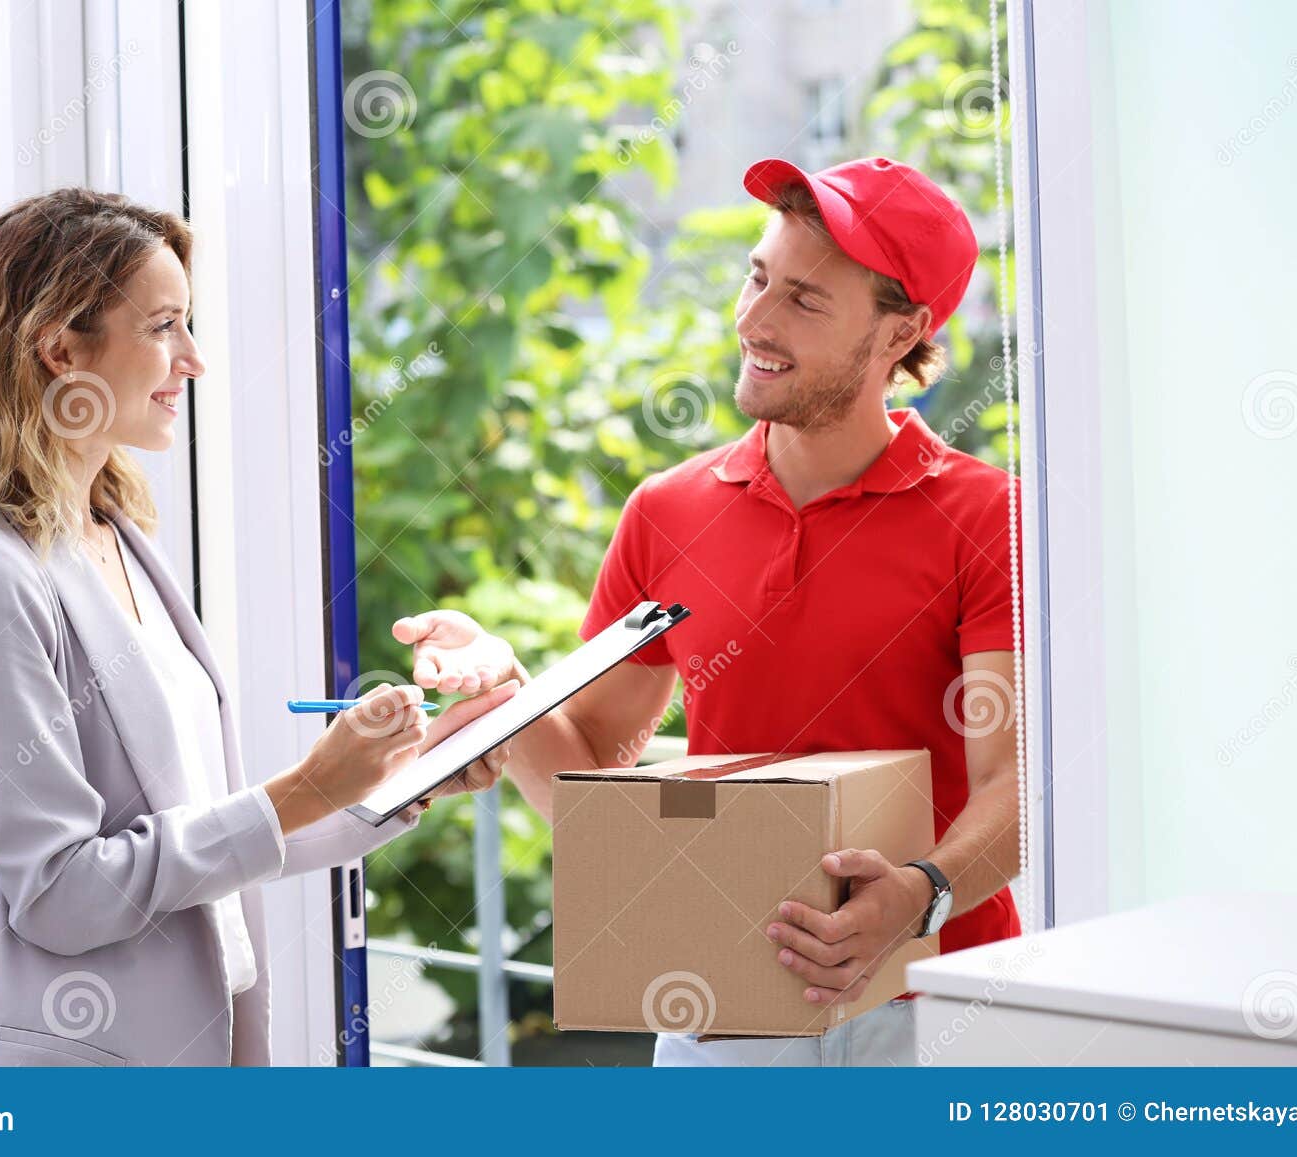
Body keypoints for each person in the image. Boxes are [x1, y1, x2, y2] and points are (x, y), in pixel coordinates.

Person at [393, 156, 1022, 1067]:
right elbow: (593, 788)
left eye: (806, 302)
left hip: (936, 1011)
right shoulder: (668, 511)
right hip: (722, 1016)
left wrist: (921, 892)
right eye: (757, 277)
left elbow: (1020, 785)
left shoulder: (986, 517)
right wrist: (506, 690)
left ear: (904, 332)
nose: (755, 322)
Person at [0, 187, 513, 1066]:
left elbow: (205, 845)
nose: (196, 360)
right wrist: (301, 787)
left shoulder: (124, 545)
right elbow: (61, 893)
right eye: (165, 326)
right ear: (62, 349)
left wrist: (419, 771)